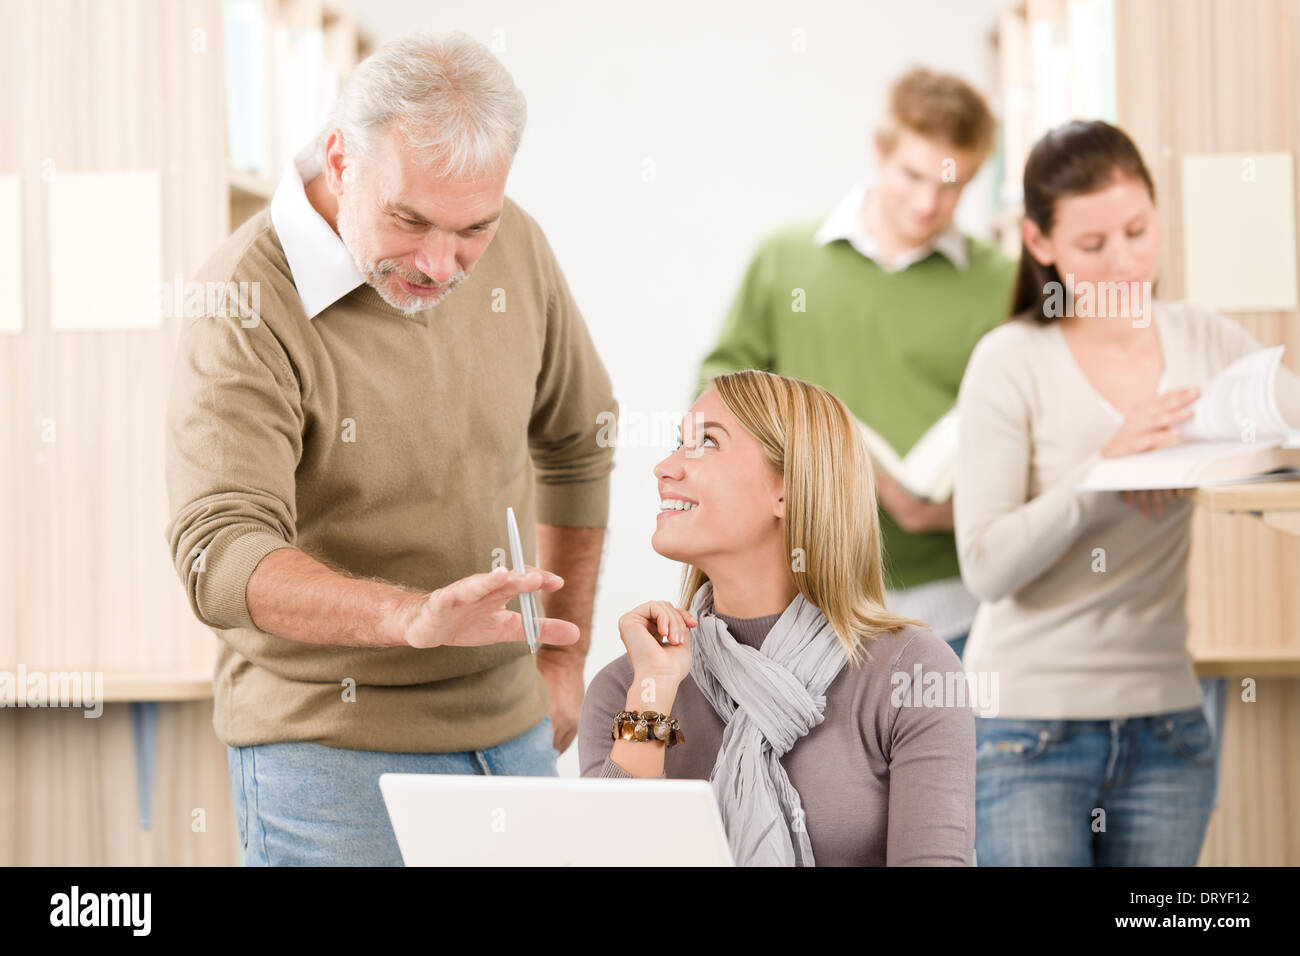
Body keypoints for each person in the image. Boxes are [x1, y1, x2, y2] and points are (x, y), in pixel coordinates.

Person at [164, 32, 617, 866]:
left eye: (472, 228)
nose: (441, 264)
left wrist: (566, 655)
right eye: (409, 220)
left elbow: (580, 441)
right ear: (340, 158)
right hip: (328, 756)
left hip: (514, 733)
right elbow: (219, 553)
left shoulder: (518, 242)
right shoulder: (245, 302)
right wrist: (406, 617)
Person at [954, 119, 1300, 866]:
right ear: (1040, 243)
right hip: (1026, 731)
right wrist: (1103, 477)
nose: (1125, 263)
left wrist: (1229, 456)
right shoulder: (1010, 359)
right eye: (1093, 245)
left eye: (1139, 231)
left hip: (1168, 725)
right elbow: (984, 566)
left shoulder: (1204, 339)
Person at [577, 370, 975, 866]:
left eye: (704, 443)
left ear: (786, 490)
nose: (664, 467)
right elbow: (613, 857)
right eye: (676, 443)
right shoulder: (628, 689)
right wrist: (652, 695)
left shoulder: (911, 673)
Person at [695, 67, 1016, 662]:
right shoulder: (785, 260)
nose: (928, 204)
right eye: (912, 176)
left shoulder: (1002, 282)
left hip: (953, 607)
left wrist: (954, 508)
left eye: (953, 185)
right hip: (801, 596)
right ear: (879, 150)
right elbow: (714, 406)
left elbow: (1027, 436)